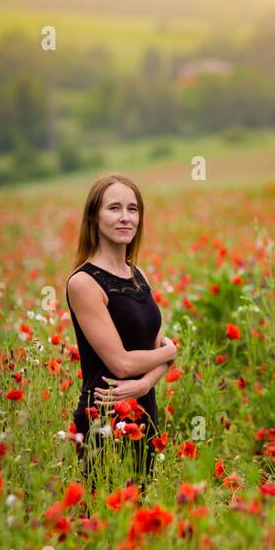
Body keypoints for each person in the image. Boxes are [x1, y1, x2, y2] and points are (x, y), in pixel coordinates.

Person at [64, 174, 178, 488]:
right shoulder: (84, 283)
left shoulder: (137, 275)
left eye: (133, 209)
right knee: (103, 520)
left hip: (145, 411)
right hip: (104, 414)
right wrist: (170, 352)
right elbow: (122, 363)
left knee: (140, 518)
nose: (126, 217)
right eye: (114, 208)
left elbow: (157, 352)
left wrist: (144, 385)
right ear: (93, 217)